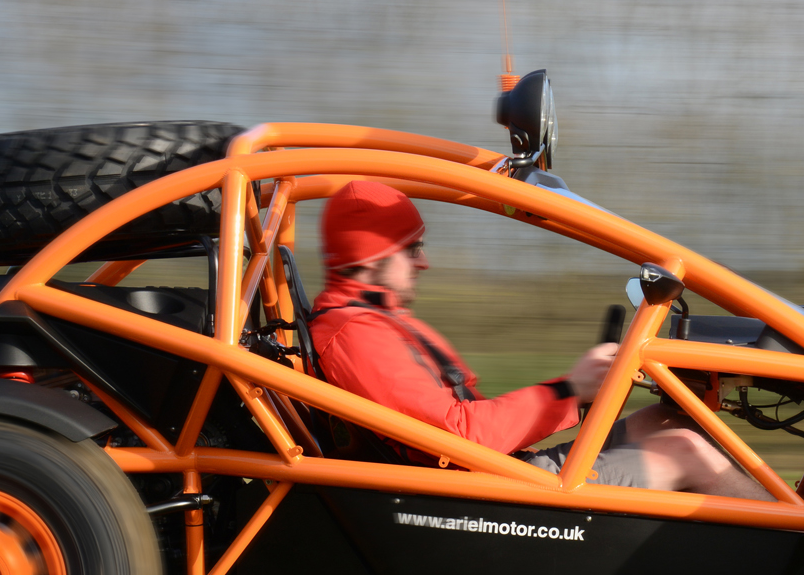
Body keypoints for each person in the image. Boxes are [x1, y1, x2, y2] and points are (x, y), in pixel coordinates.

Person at [307, 180, 770, 498]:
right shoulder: (356, 334)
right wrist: (568, 390)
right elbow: (457, 436)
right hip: (476, 494)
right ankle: (797, 546)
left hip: (493, 470)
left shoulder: (376, 321)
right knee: (684, 450)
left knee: (667, 421)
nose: (423, 262)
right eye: (411, 249)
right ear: (372, 256)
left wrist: (580, 391)